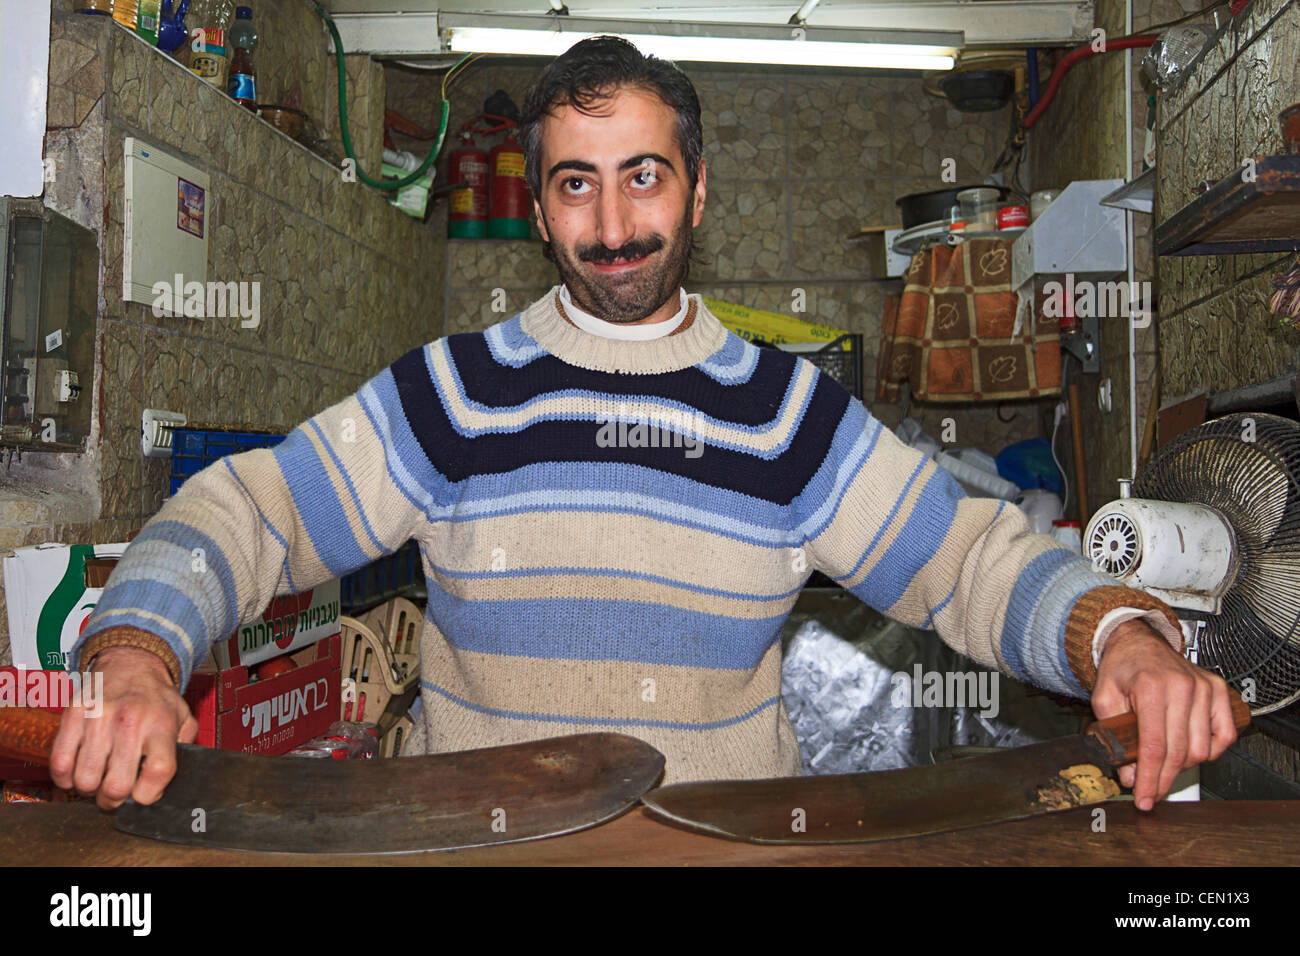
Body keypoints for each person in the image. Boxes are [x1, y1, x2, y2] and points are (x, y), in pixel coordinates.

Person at [54, 36, 1238, 812]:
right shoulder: (456, 394)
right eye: (576, 181)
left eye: (643, 176)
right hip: (475, 855)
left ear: (698, 190)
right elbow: (244, 509)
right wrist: (138, 651)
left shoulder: (785, 418)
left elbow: (970, 560)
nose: (612, 221)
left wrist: (1117, 633)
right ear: (540, 205)